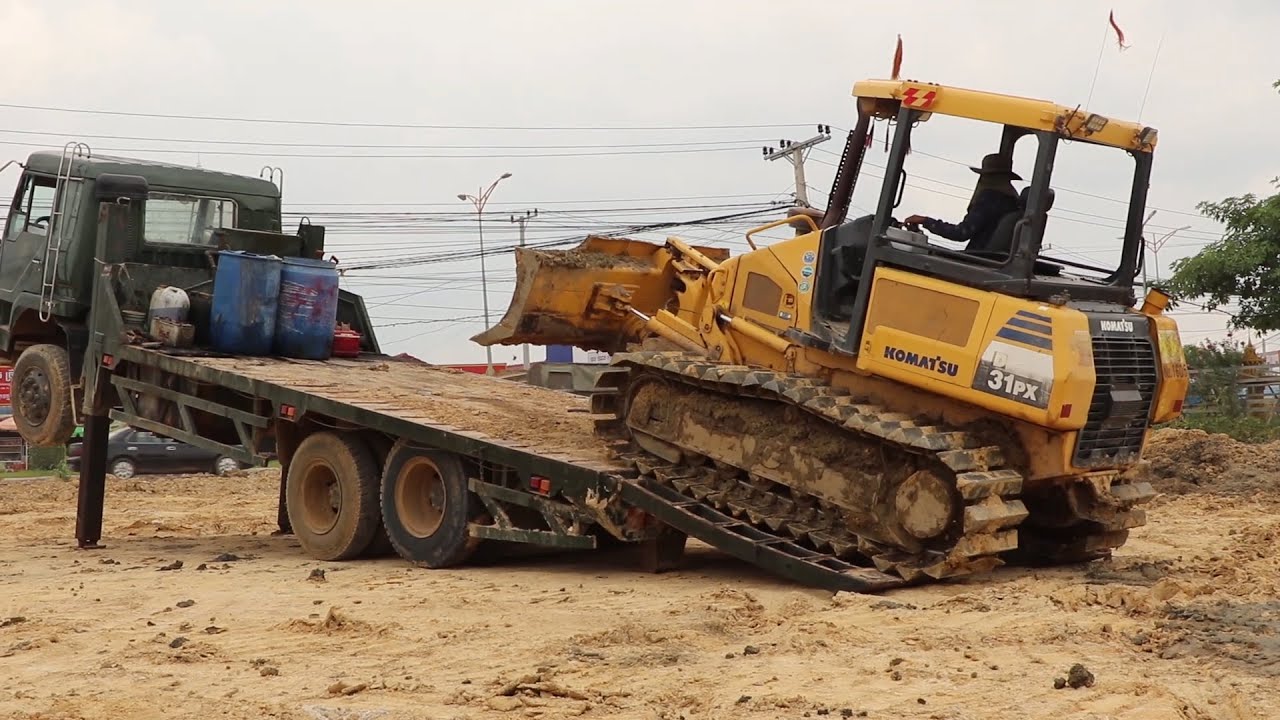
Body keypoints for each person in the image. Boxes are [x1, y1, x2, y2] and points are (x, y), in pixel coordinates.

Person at [903, 153, 1021, 250]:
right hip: (992, 261)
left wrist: (926, 221)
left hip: (977, 261)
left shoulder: (989, 199)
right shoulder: (1013, 202)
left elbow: (961, 233)